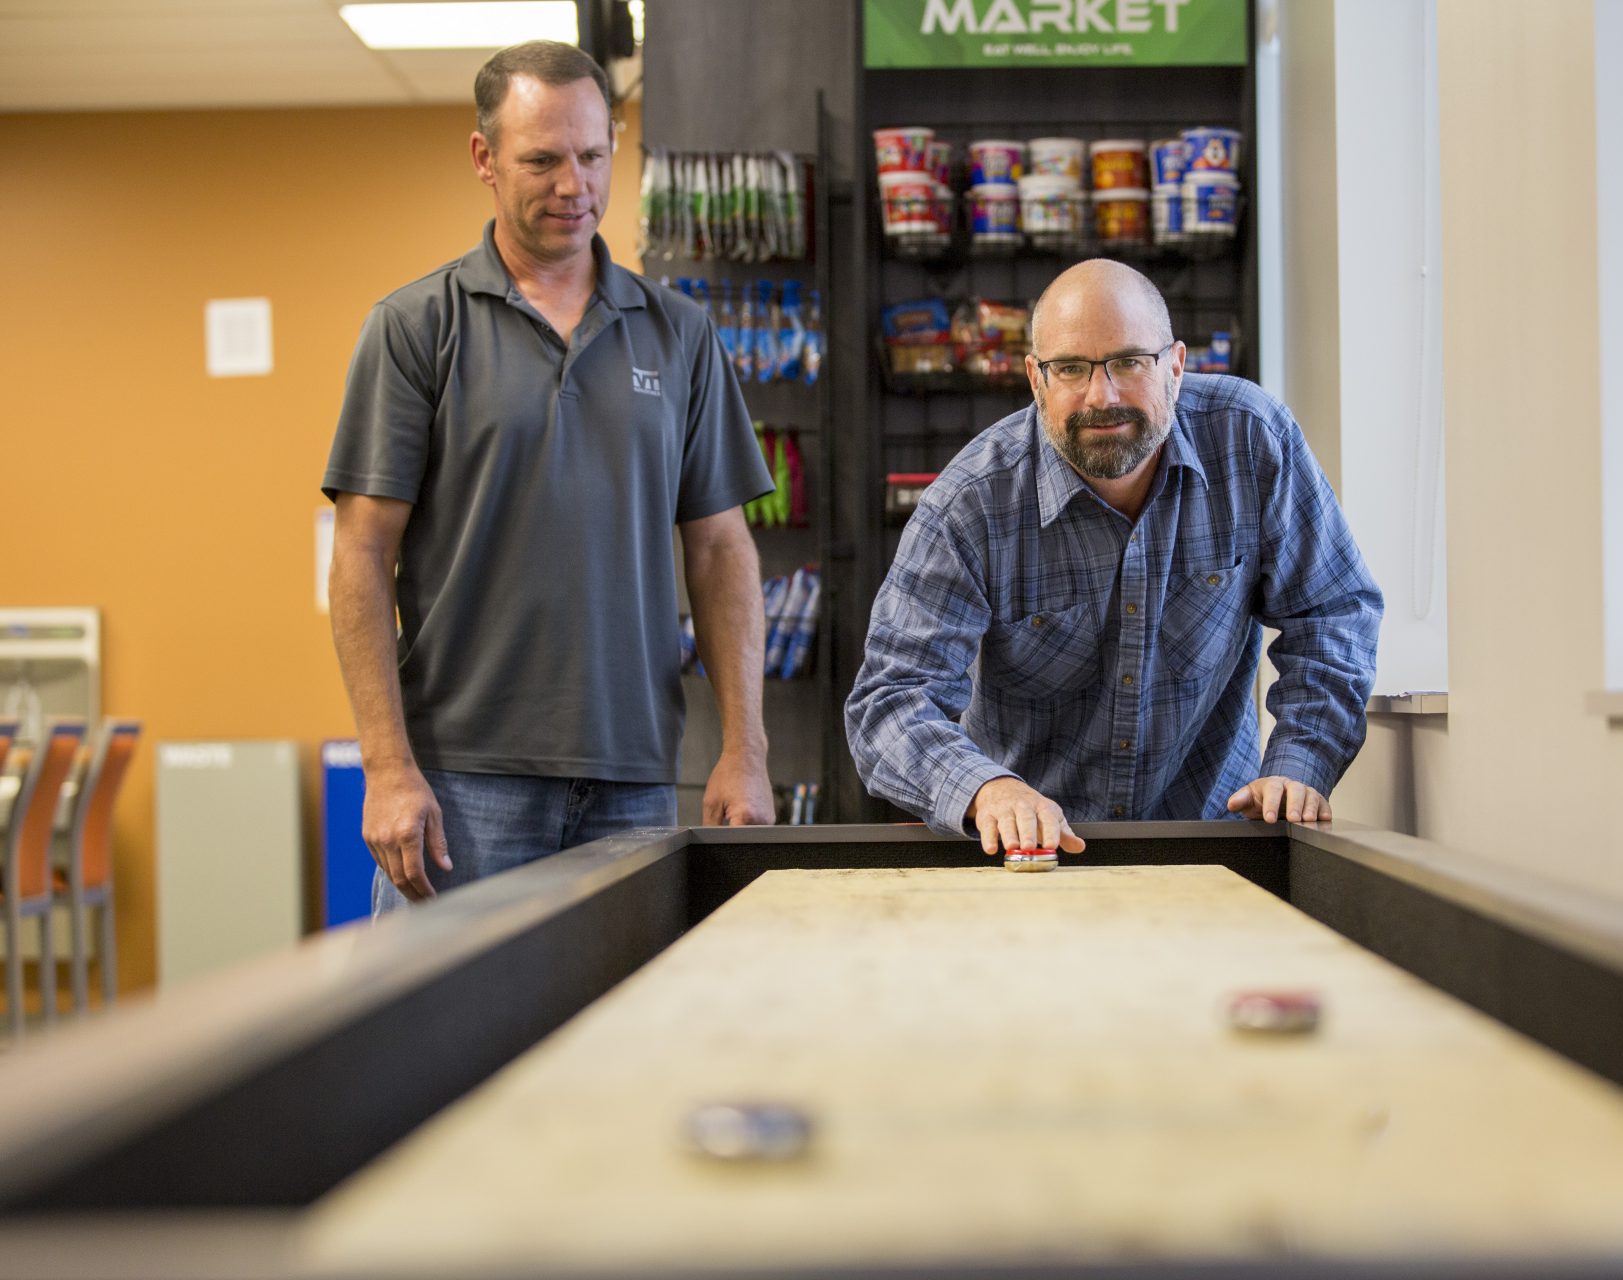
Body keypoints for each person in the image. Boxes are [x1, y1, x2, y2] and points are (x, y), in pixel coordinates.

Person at [324, 41, 774, 914]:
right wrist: (385, 765)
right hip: (460, 784)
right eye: (542, 160)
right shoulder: (416, 326)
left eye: (594, 156)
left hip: (637, 778)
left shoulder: (678, 332)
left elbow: (722, 550)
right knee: (447, 1045)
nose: (574, 186)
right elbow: (360, 551)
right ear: (484, 159)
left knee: (624, 1046)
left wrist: (744, 750)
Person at [845, 259, 1381, 857]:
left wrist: (1300, 764)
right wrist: (987, 790)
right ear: (1035, 379)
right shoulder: (971, 504)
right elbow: (891, 699)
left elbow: (1334, 613)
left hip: (1218, 847)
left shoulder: (1253, 442)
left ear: (1175, 367)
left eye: (1129, 362)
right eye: (1070, 368)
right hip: (1032, 860)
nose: (1102, 395)